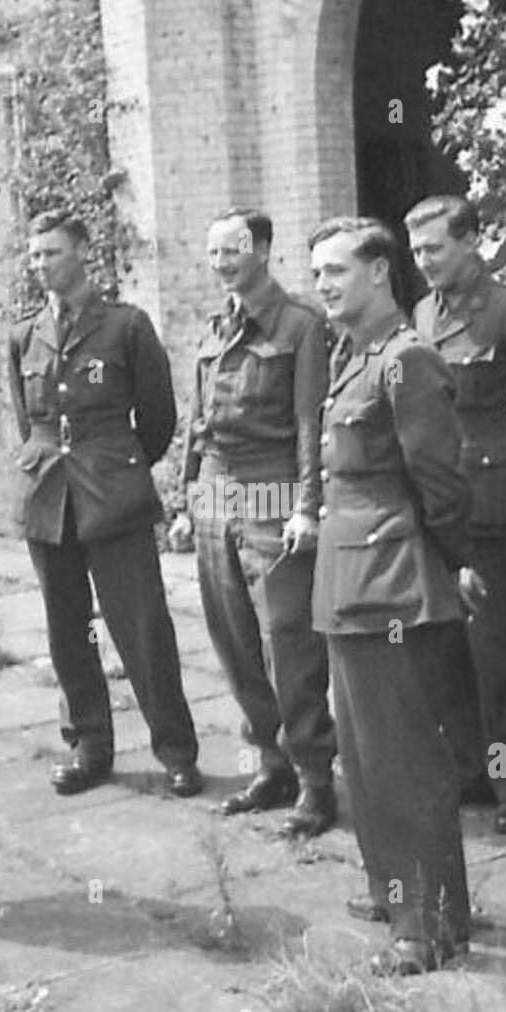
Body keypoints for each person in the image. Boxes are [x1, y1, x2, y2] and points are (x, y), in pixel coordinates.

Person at [309, 216, 484, 975]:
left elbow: (440, 482)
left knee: (405, 760)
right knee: (363, 753)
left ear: (380, 273)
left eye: (338, 270)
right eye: (317, 273)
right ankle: (393, 891)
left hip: (392, 582)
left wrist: (452, 564)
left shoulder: (406, 360)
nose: (323, 284)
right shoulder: (353, 356)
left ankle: (430, 924)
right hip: (347, 579)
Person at [9, 211, 201, 798]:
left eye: (54, 253)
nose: (43, 264)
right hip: (48, 498)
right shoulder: (24, 334)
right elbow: (28, 421)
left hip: (113, 496)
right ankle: (88, 746)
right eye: (36, 255)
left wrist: (117, 466)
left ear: (84, 253)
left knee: (142, 627)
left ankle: (176, 751)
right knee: (67, 629)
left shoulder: (127, 326)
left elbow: (159, 417)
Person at [172, 208, 338, 836]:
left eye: (234, 250)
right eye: (213, 253)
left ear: (264, 249)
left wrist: (306, 504)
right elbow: (197, 419)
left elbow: (308, 423)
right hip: (217, 493)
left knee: (288, 644)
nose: (223, 263)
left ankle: (316, 780)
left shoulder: (301, 326)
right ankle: (271, 764)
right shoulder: (216, 327)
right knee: (232, 637)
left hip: (273, 489)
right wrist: (189, 497)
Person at [405, 196, 506, 833]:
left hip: (497, 510)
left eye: (434, 248)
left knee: (501, 658)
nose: (424, 262)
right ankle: (471, 770)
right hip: (442, 513)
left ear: (472, 243)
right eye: (415, 252)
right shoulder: (421, 313)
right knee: (446, 654)